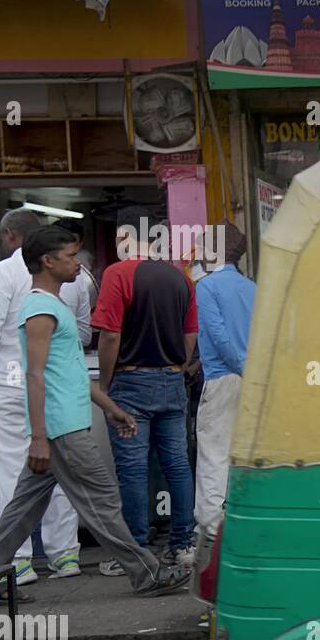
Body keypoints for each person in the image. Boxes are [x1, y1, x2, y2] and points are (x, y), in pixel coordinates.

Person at [0, 226, 189, 600]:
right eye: (71, 256)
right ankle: (147, 574)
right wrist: (39, 437)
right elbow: (35, 375)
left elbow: (70, 373)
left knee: (23, 508)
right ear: (47, 260)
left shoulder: (53, 305)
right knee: (103, 498)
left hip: (62, 425)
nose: (78, 263)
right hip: (61, 429)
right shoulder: (40, 308)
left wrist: (112, 408)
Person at [0, 208, 87, 584]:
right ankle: (65, 555)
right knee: (59, 472)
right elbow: (83, 334)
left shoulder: (4, 273)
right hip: (55, 388)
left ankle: (18, 562)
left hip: (9, 384)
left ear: (9, 236)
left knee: (13, 477)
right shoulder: (75, 274)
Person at [91, 213, 199, 573]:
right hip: (171, 382)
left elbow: (109, 335)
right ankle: (182, 544)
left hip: (130, 383)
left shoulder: (117, 274)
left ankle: (136, 550)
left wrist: (105, 386)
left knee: (133, 470)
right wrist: (178, 368)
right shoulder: (179, 277)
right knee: (178, 466)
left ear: (123, 236)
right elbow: (190, 335)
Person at [193, 224, 256, 530]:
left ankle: (211, 528)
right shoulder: (252, 287)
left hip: (222, 378)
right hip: (252, 380)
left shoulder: (206, 286)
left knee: (214, 454)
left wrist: (238, 365)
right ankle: (243, 519)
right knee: (244, 454)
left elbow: (217, 334)